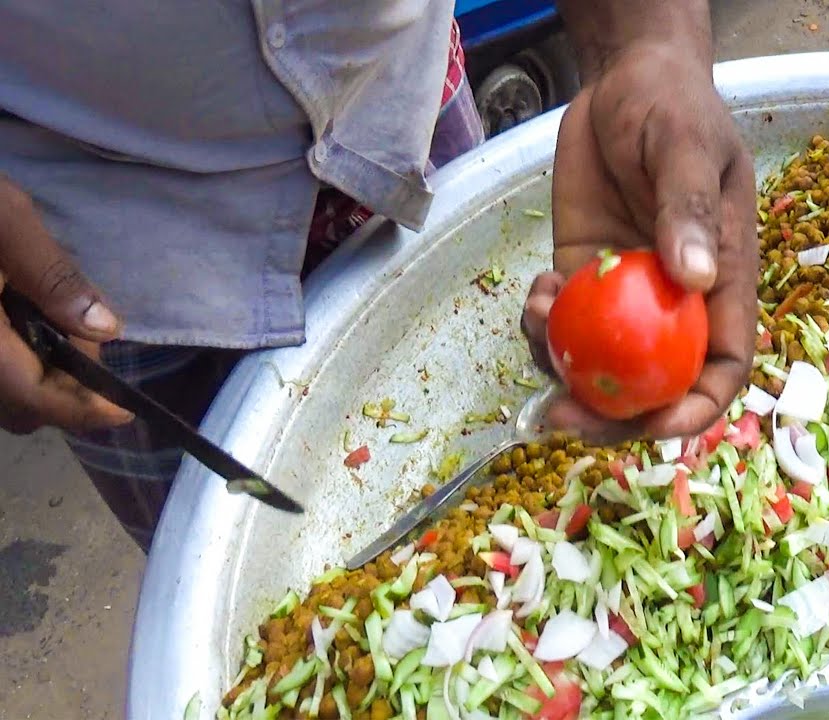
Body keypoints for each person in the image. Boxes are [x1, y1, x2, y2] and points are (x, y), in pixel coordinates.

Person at [0, 1, 756, 551]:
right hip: (83, 247)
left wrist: (643, 39)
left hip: (402, 109)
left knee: (489, 467)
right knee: (209, 546)